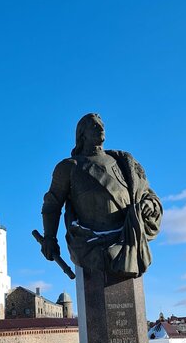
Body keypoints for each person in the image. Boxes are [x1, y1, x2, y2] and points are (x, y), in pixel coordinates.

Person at [41, 113, 162, 278]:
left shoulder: (124, 162)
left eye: (102, 124)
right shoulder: (69, 167)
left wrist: (150, 205)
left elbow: (147, 194)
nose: (101, 127)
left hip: (127, 238)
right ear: (82, 134)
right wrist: (49, 238)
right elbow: (52, 205)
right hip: (90, 244)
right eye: (94, 125)